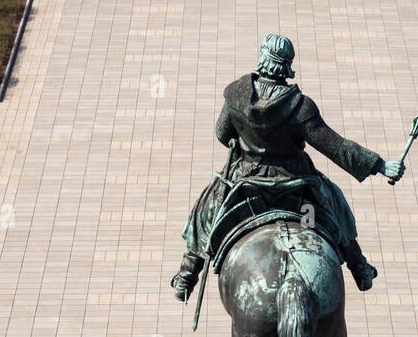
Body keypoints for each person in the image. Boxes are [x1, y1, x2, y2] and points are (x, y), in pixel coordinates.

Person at [171, 33, 405, 302]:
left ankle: (187, 274)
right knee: (334, 203)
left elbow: (222, 135)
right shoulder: (300, 106)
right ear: (287, 65)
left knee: (207, 207)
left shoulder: (236, 94)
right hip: (297, 188)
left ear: (262, 58)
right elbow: (335, 147)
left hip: (247, 183)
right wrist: (380, 166)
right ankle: (359, 266)